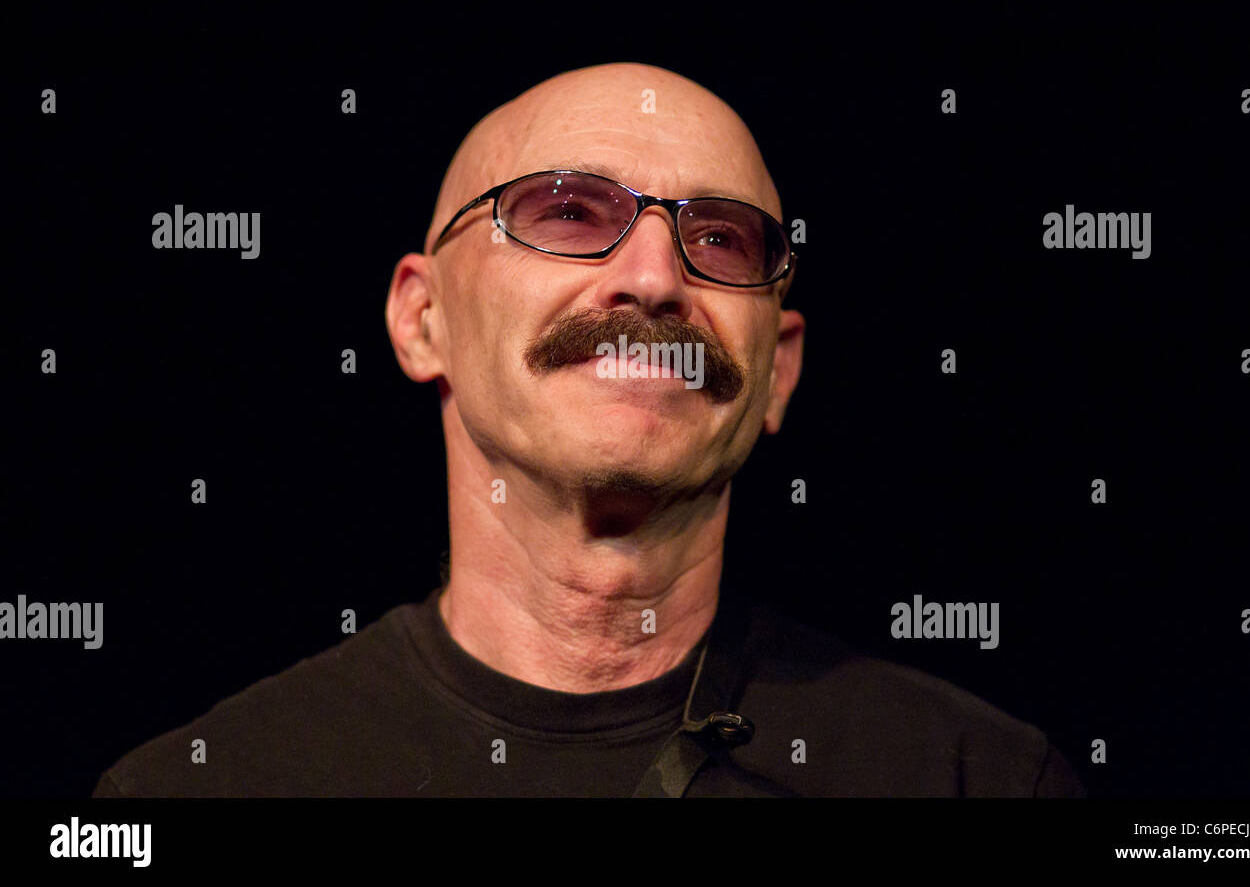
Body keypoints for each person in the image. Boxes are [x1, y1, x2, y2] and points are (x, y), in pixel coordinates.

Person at [94, 62, 1084, 797]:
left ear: (776, 368)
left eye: (719, 238)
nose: (655, 278)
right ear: (421, 317)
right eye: (568, 211)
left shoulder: (977, 779)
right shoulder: (194, 789)